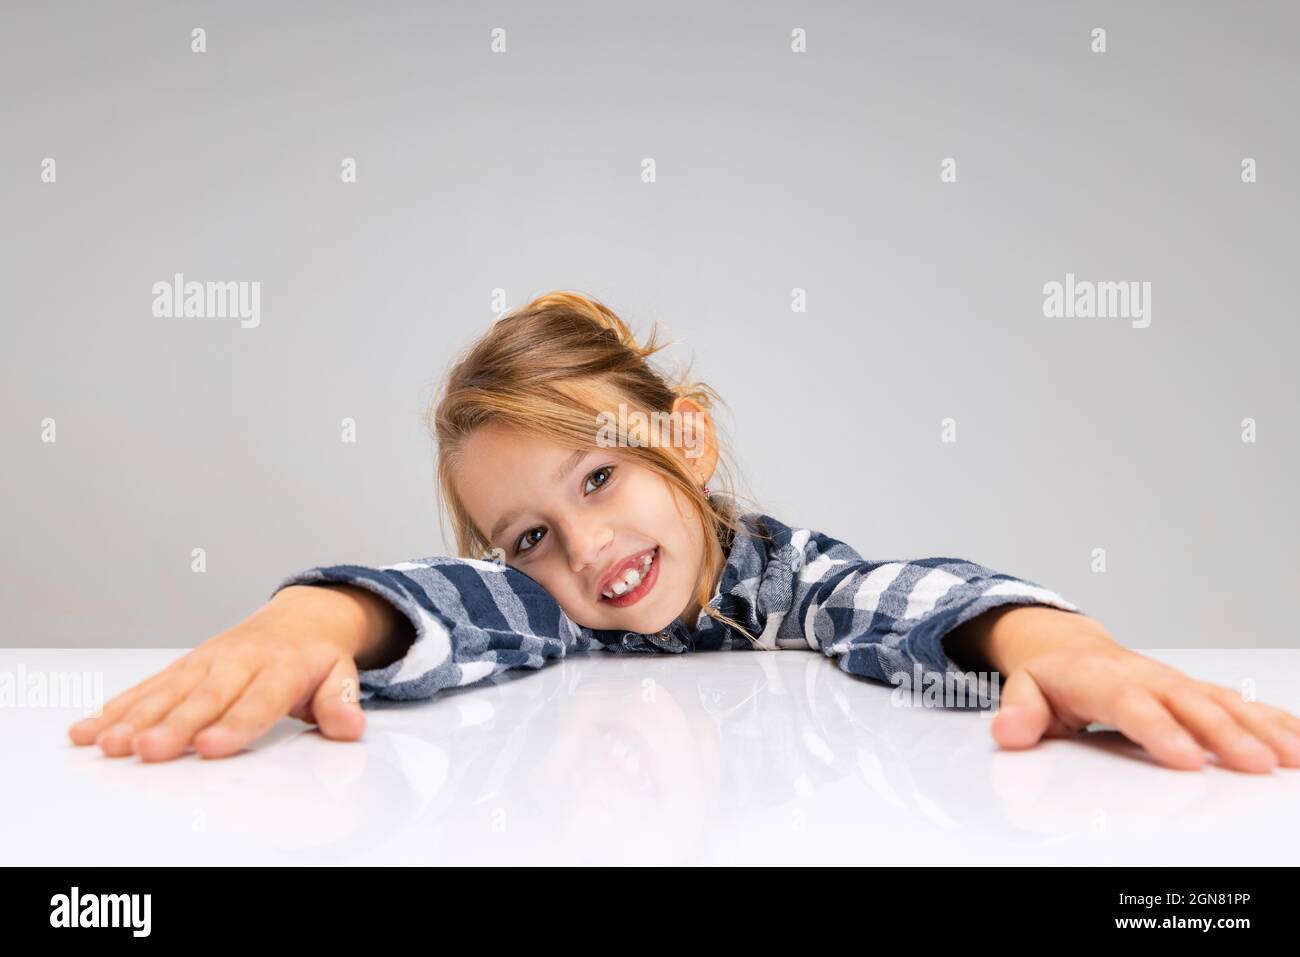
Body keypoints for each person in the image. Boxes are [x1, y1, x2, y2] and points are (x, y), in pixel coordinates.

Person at [68, 292, 1300, 774]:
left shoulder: (781, 583)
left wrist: (1048, 640)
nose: (581, 551)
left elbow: (892, 595)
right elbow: (450, 597)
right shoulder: (543, 607)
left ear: (688, 445)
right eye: (530, 535)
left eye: (600, 480)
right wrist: (311, 617)